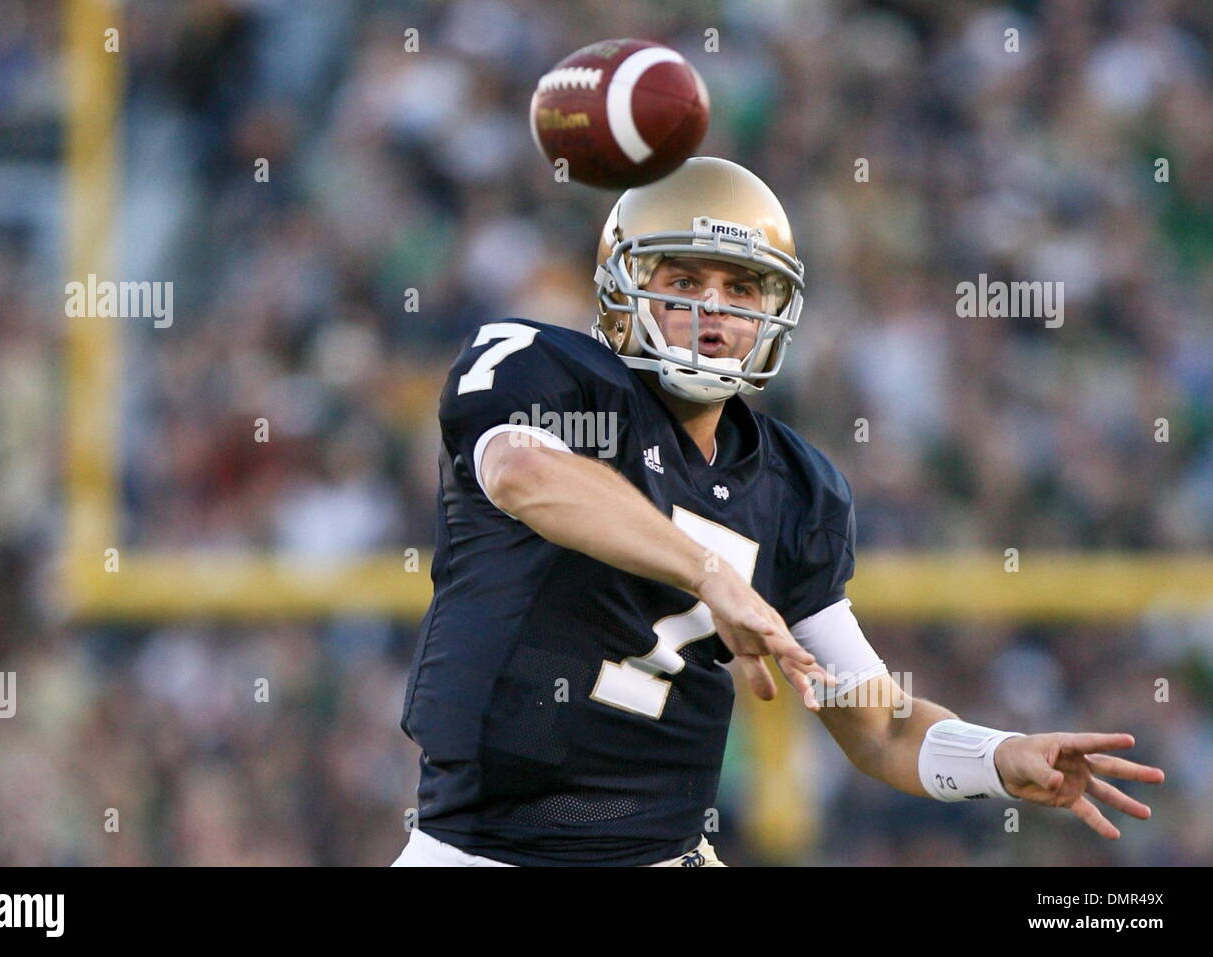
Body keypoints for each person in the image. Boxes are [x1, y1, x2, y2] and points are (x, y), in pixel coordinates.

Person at [394, 157, 1163, 866]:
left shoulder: (794, 487)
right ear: (622, 289)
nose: (712, 310)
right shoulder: (546, 368)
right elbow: (525, 473)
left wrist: (997, 758)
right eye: (684, 280)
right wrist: (710, 574)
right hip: (478, 850)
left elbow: (880, 724)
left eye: (741, 287)